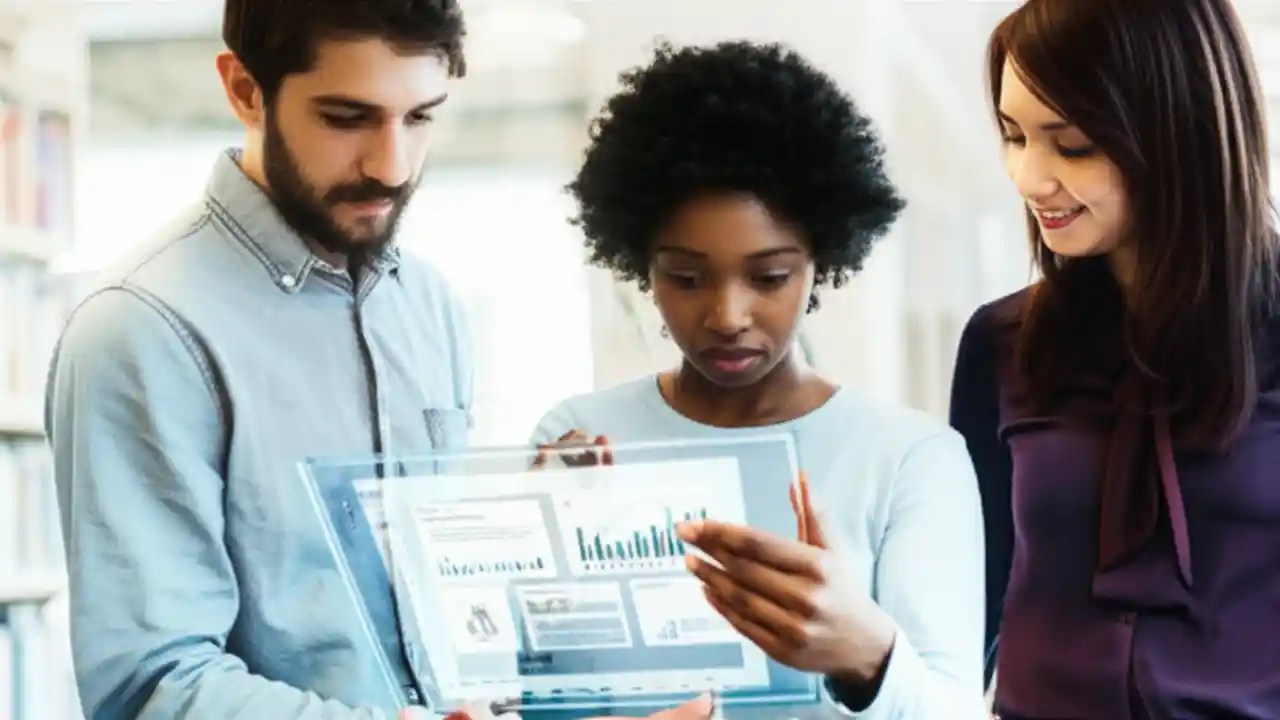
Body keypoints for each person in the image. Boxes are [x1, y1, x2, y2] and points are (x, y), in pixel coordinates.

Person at [43, 2, 710, 719]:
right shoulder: (140, 329)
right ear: (243, 90)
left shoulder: (430, 305)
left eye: (420, 117)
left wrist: (525, 541)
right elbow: (151, 686)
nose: (391, 167)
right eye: (345, 117)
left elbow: (428, 629)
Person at [532, 41, 989, 719]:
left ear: (822, 260)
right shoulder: (579, 439)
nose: (727, 314)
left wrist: (864, 653)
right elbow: (538, 698)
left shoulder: (909, 458)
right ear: (639, 264)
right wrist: (534, 565)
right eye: (685, 278)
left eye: (770, 277)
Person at [948, 0, 1280, 717]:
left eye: (1070, 145)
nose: (1030, 179)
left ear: (1178, 134)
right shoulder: (999, 343)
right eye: (1014, 136)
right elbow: (965, 607)